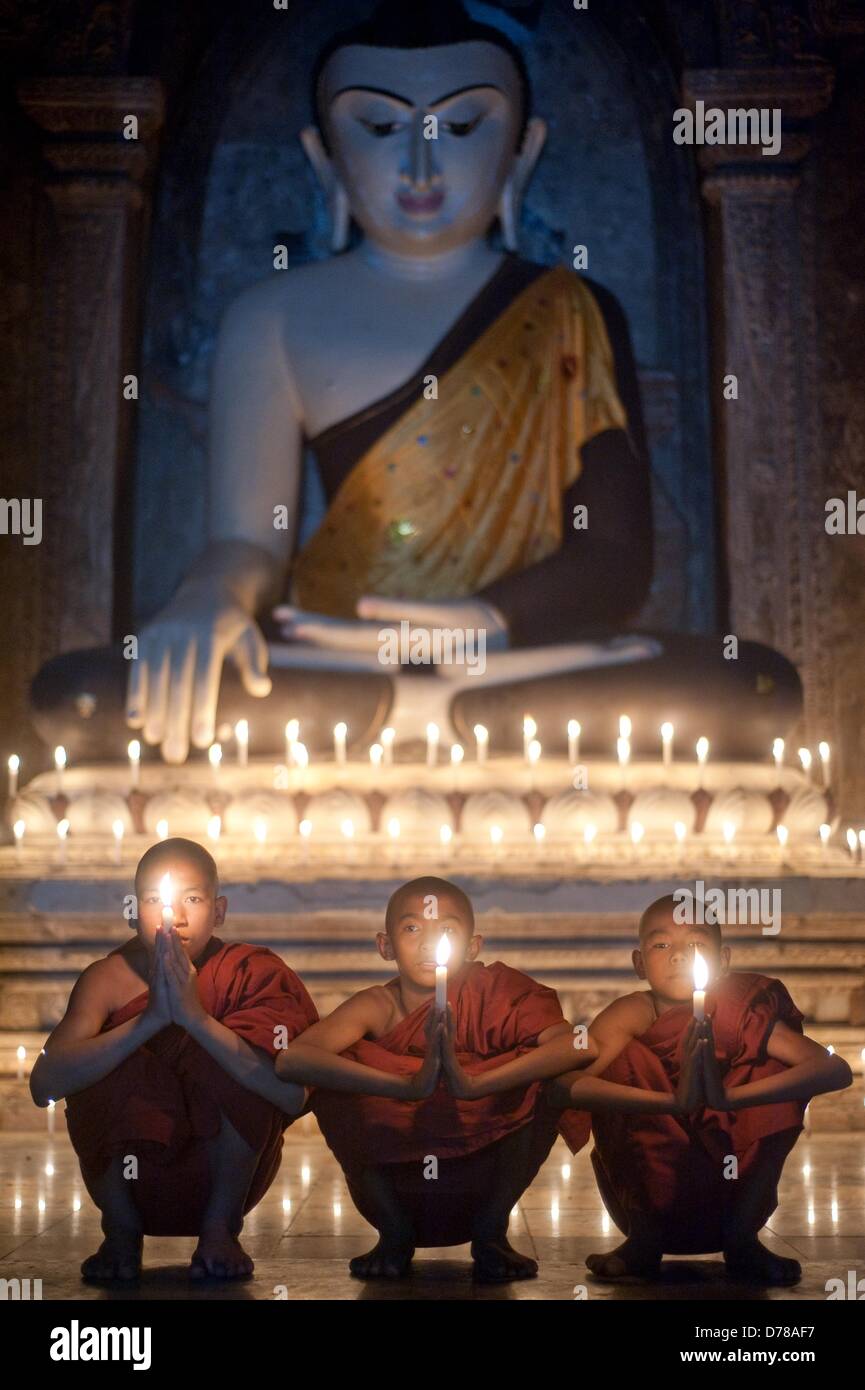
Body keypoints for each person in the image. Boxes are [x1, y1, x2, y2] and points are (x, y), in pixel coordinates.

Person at [30, 0, 801, 765]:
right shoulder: (269, 315)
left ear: (521, 153)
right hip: (333, 655)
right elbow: (244, 540)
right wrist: (208, 599)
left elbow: (613, 560)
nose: (421, 163)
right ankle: (442, 716)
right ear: (323, 157)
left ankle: (413, 713)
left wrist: (473, 626)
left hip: (521, 654)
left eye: (462, 127)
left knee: (751, 689)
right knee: (87, 698)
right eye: (378, 126)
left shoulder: (570, 308)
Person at [275, 874, 593, 1281]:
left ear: (474, 945)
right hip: (396, 1184)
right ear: (384, 946)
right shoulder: (379, 1004)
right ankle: (394, 1232)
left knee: (549, 1080)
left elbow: (580, 1046)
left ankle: (492, 1230)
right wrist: (407, 1086)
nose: (428, 943)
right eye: (412, 928)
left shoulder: (497, 991)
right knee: (333, 1079)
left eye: (446, 930)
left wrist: (476, 1084)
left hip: (484, 1175)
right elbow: (293, 1059)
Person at [29, 837, 318, 1282]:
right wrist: (149, 1022)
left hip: (224, 1173)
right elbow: (45, 1085)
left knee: (237, 1063)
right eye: (155, 899)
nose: (175, 916)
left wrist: (197, 1021)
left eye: (194, 899)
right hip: (134, 1176)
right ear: (131, 910)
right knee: (98, 1065)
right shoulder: (106, 980)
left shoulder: (251, 973)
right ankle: (121, 1233)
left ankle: (220, 1230)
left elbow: (289, 1094)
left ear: (219, 911)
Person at [547, 892, 853, 1284]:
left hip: (732, 1186)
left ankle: (744, 1240)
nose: (678, 956)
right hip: (649, 1193)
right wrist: (669, 1102)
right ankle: (643, 1241)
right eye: (661, 944)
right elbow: (562, 1084)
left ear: (722, 962)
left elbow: (833, 1070)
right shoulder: (632, 1013)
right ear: (639, 963)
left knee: (771, 1067)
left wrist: (727, 1097)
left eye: (695, 944)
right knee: (623, 1064)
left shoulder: (739, 1012)